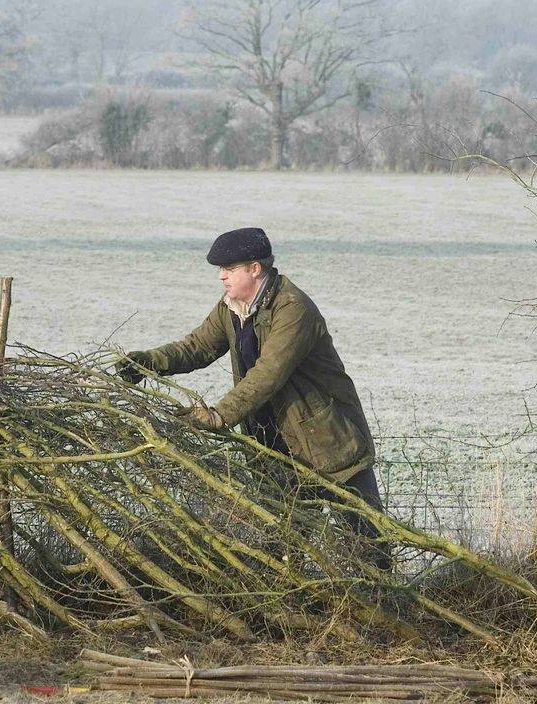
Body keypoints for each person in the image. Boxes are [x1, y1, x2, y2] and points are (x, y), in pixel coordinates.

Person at [118, 227, 390, 570]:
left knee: (368, 547)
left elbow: (268, 374)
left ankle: (386, 612)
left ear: (254, 269)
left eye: (228, 269)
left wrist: (219, 415)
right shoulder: (233, 308)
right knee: (283, 551)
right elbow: (198, 347)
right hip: (276, 450)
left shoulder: (293, 309)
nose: (221, 276)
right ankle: (293, 615)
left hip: (330, 445)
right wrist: (148, 362)